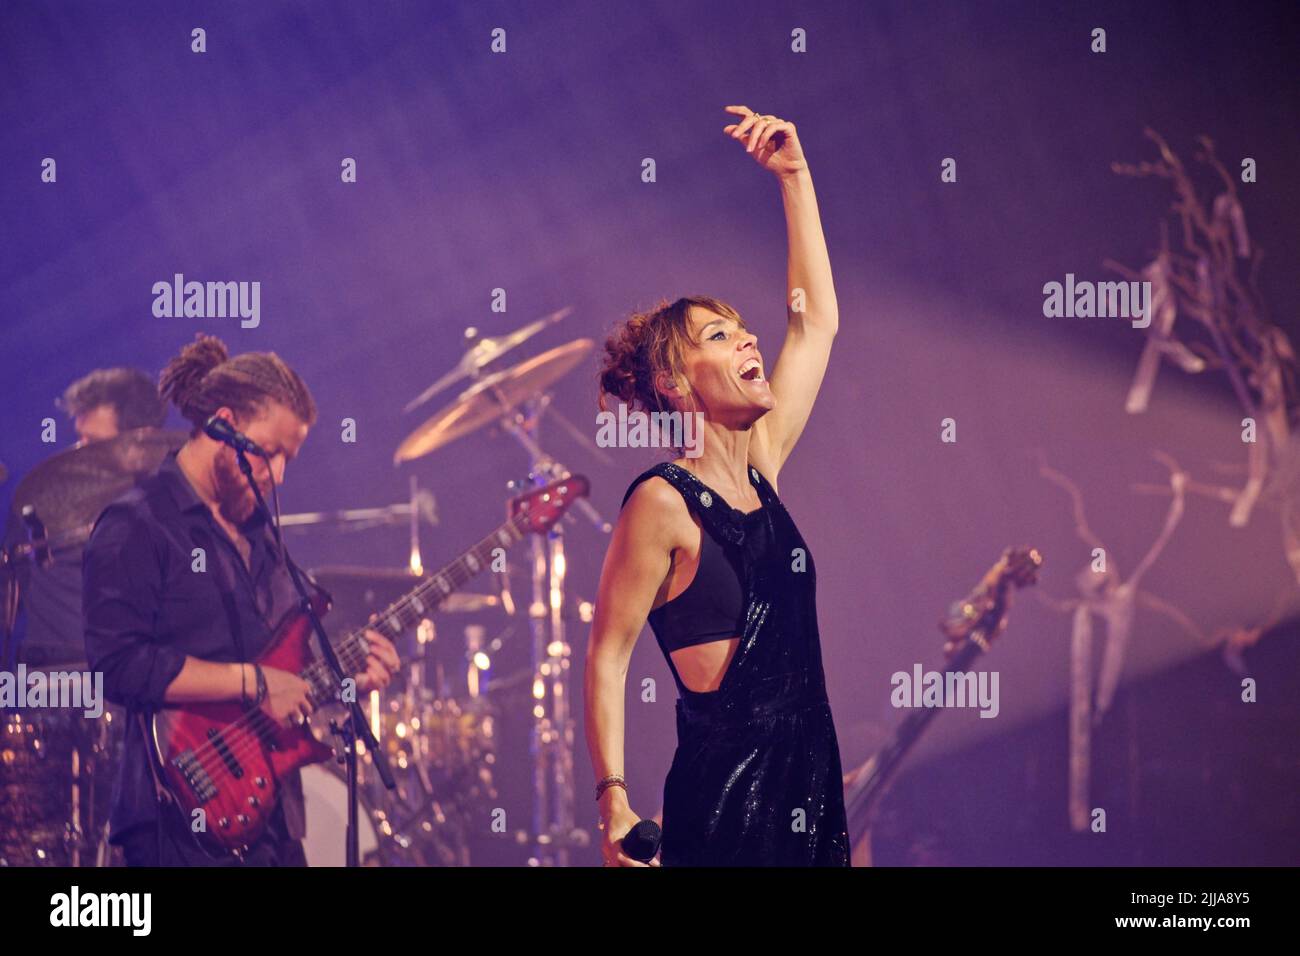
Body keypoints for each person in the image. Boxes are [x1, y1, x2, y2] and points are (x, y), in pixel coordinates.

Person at [584, 106, 847, 866]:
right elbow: (607, 651)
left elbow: (816, 324)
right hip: (728, 808)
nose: (750, 339)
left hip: (809, 788)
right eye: (720, 336)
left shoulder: (761, 468)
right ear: (672, 382)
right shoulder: (662, 501)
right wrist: (614, 800)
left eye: (744, 328)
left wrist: (794, 177)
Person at [82, 334, 399, 865]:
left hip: (269, 816)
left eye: (288, 458)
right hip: (174, 822)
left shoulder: (260, 537)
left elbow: (280, 671)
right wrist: (254, 683)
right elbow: (116, 665)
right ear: (225, 422)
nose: (278, 474)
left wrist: (345, 676)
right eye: (270, 451)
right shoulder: (138, 524)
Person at [3, 367, 167, 668]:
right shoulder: (45, 506)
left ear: (145, 443)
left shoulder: (171, 507)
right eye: (80, 439)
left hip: (146, 676)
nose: (79, 454)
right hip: (59, 683)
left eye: (95, 443)